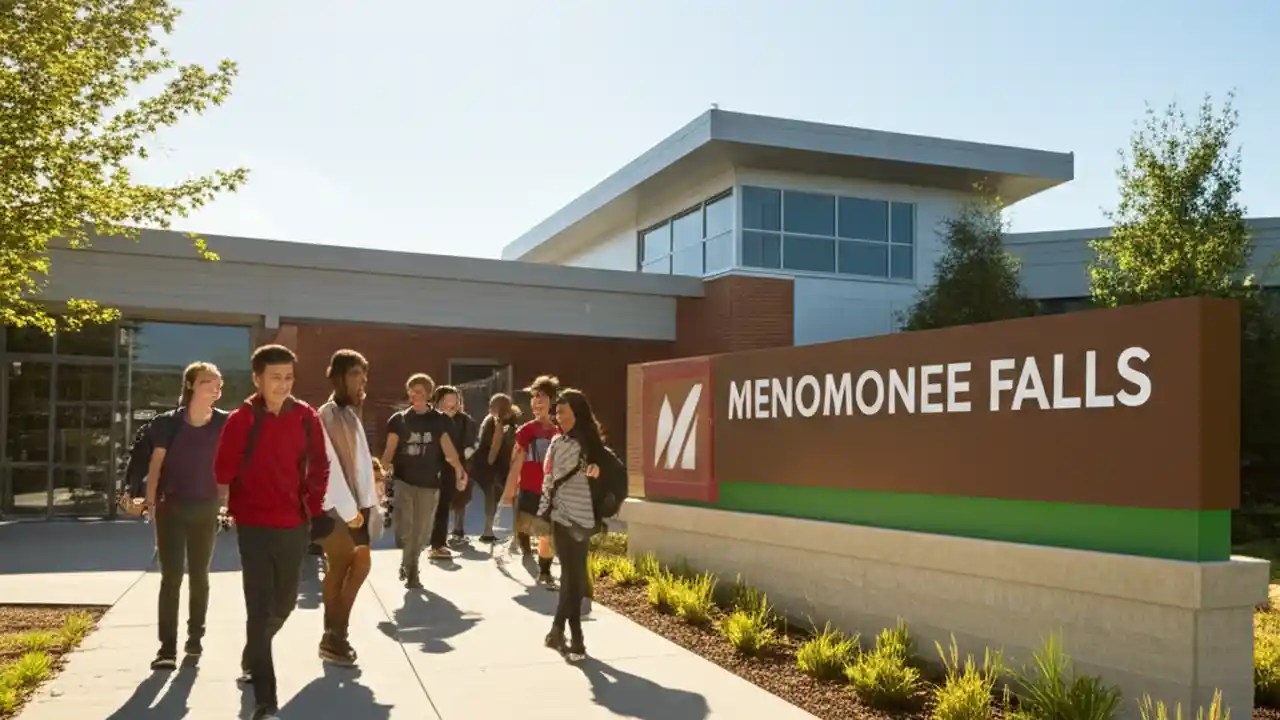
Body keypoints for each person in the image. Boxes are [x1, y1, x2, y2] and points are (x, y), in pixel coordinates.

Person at [215, 344, 329, 720]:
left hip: (294, 523)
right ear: (257, 379)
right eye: (275, 378)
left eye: (289, 378)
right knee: (260, 609)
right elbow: (222, 471)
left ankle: (253, 651)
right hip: (253, 525)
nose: (283, 385)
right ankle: (265, 699)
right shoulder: (241, 419)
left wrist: (312, 506)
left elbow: (320, 465)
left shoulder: (306, 416)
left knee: (285, 604)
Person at [146, 361, 229, 670]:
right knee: (171, 578)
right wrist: (151, 503)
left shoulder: (224, 423)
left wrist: (228, 500)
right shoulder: (169, 423)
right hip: (171, 508)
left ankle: (195, 639)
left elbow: (232, 464)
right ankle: (167, 648)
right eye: (209, 380)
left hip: (206, 507)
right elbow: (156, 465)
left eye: (219, 382)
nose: (216, 386)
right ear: (192, 385)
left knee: (200, 576)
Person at [314, 349, 381, 667]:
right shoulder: (326, 415)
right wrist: (350, 510)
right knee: (343, 566)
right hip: (339, 508)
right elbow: (327, 467)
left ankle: (335, 634)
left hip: (358, 506)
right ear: (338, 377)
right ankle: (334, 636)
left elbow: (355, 461)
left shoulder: (349, 413)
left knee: (353, 566)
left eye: (364, 375)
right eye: (356, 374)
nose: (362, 381)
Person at [380, 373, 467, 588]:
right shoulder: (398, 420)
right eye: (411, 390)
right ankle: (409, 566)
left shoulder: (440, 420)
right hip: (403, 481)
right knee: (405, 529)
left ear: (428, 394)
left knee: (421, 531)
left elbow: (448, 450)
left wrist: (459, 470)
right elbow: (388, 453)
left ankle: (411, 568)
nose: (414, 394)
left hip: (429, 483)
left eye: (419, 391)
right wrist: (380, 477)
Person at [539, 388, 604, 662]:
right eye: (556, 411)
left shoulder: (591, 446)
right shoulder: (556, 442)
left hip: (582, 517)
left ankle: (561, 632)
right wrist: (543, 512)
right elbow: (549, 481)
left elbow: (609, 472)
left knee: (574, 576)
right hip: (560, 518)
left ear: (576, 413)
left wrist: (598, 471)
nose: (557, 416)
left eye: (562, 411)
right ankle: (574, 638)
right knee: (572, 575)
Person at [502, 375, 561, 587]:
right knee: (525, 530)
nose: (537, 402)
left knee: (547, 533)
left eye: (542, 397)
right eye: (534, 397)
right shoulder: (525, 431)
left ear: (553, 401)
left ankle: (545, 572)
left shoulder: (559, 432)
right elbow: (516, 461)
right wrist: (510, 491)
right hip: (527, 488)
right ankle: (523, 547)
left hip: (550, 491)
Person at [470, 394, 520, 544]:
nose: (490, 409)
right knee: (503, 496)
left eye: (493, 406)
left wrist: (490, 462)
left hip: (497, 463)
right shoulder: (506, 420)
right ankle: (511, 533)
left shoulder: (499, 421)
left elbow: (495, 445)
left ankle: (489, 530)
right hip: (502, 463)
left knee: (495, 496)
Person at [436, 388, 480, 545]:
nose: (453, 405)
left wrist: (463, 461)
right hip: (438, 465)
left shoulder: (466, 421)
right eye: (448, 401)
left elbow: (473, 443)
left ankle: (458, 530)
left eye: (455, 401)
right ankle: (438, 535)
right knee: (440, 501)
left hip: (461, 464)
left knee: (461, 499)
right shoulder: (434, 420)